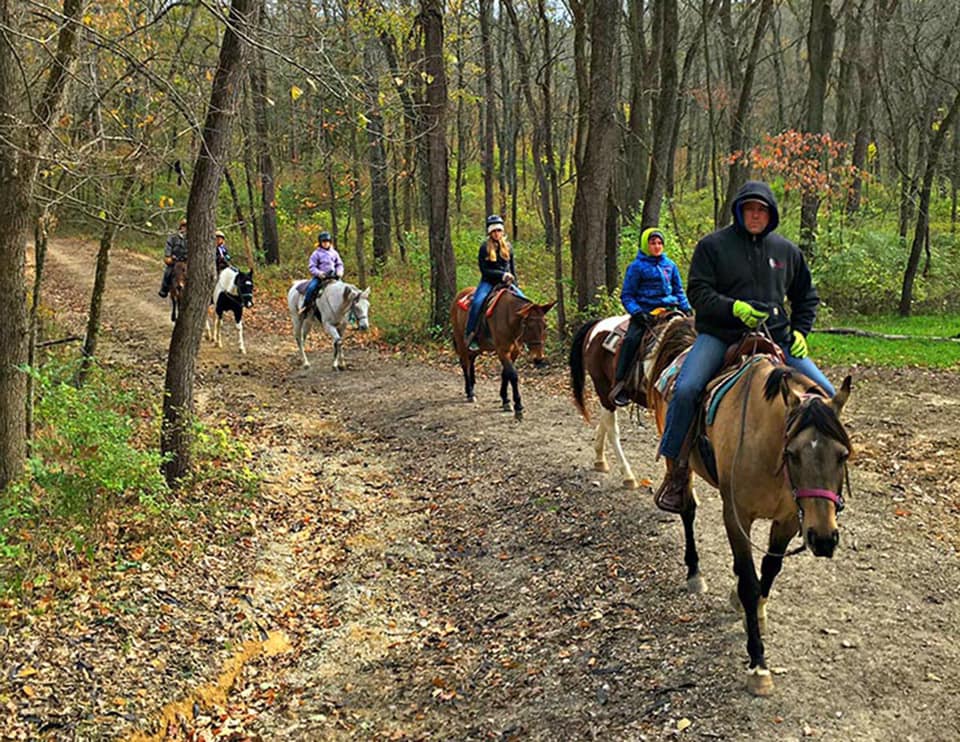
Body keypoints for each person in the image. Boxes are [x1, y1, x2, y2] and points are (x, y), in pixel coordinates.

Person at [654, 180, 836, 514]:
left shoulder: (787, 252)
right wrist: (732, 307)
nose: (755, 215)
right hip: (722, 335)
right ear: (739, 211)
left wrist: (801, 331)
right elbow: (698, 292)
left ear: (771, 214)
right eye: (749, 209)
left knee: (827, 395)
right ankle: (677, 473)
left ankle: (823, 480)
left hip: (778, 337)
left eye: (761, 210)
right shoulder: (713, 246)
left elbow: (806, 296)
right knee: (687, 388)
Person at [610, 227, 691, 407]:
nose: (657, 246)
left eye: (660, 243)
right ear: (646, 245)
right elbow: (627, 295)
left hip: (670, 310)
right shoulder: (636, 267)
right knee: (631, 340)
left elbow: (678, 290)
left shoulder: (670, 265)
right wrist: (637, 312)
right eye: (653, 243)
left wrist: (686, 308)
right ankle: (621, 383)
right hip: (646, 313)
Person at [464, 214, 526, 351]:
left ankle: (524, 338)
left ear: (502, 231)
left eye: (499, 230)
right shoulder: (484, 248)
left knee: (525, 303)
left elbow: (512, 268)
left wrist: (514, 283)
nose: (497, 233)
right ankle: (471, 335)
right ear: (490, 232)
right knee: (477, 303)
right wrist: (502, 275)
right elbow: (485, 270)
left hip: (507, 283)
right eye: (494, 231)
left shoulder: (508, 247)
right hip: (489, 282)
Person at [300, 231, 344, 317]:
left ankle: (348, 315)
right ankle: (305, 307)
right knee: (311, 288)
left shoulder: (334, 253)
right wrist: (319, 273)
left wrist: (339, 271)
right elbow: (312, 266)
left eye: (327, 241)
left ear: (330, 242)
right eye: (324, 242)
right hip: (321, 277)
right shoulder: (316, 254)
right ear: (320, 243)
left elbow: (339, 264)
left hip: (333, 277)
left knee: (345, 290)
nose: (326, 243)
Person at [158, 218, 188, 297]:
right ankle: (164, 289)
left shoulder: (191, 239)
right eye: (183, 226)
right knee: (168, 272)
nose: (185, 228)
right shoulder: (173, 238)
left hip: (186, 262)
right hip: (175, 262)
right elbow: (168, 249)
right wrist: (169, 257)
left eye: (187, 227)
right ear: (180, 227)